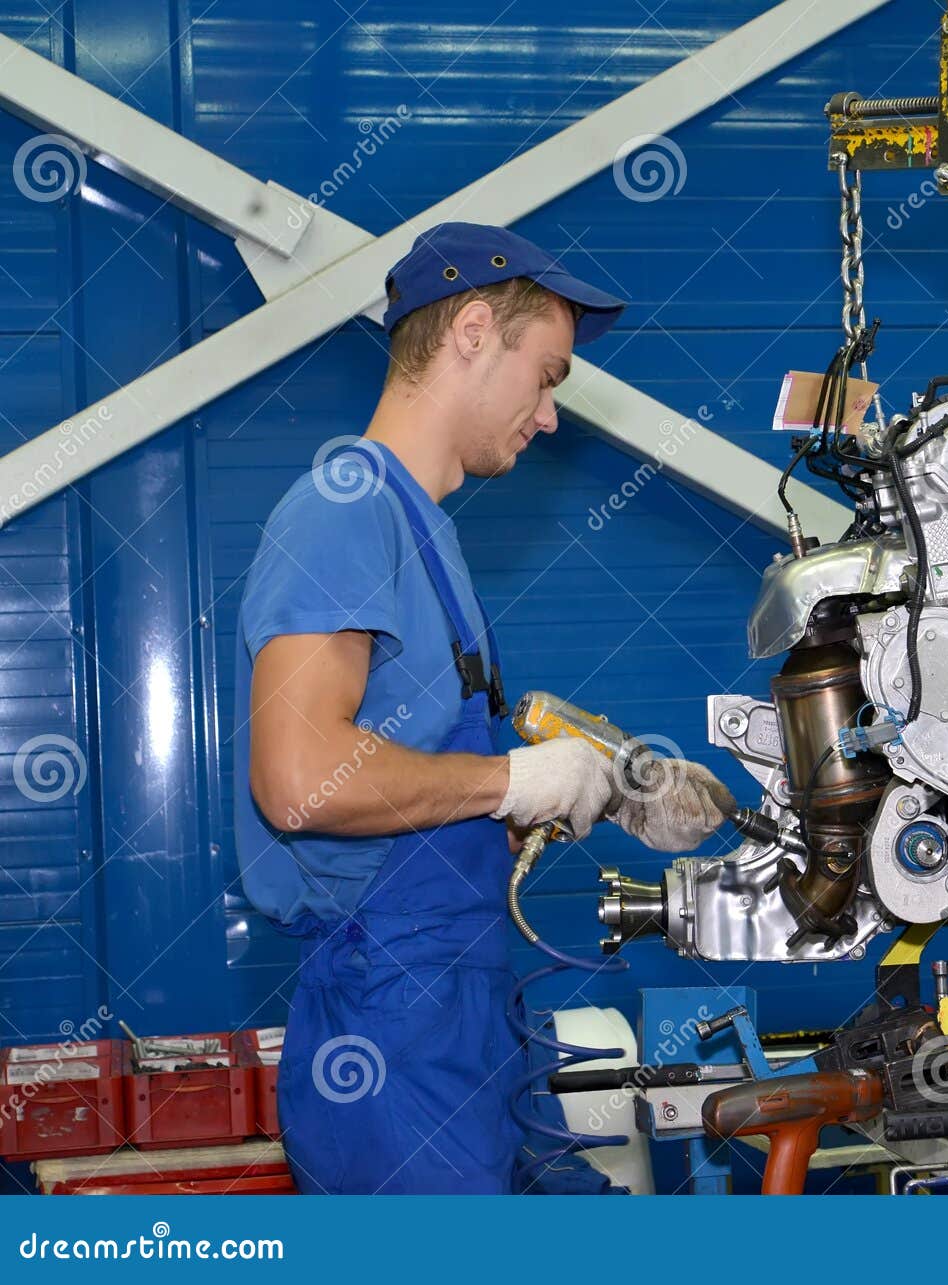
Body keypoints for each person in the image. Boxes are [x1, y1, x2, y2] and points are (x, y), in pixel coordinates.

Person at [232, 222, 734, 1194]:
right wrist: (511, 779)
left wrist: (606, 786)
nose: (549, 417)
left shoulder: (427, 538)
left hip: (468, 1011)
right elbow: (297, 780)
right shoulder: (344, 510)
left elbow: (425, 781)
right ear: (470, 330)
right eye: (545, 376)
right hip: (395, 1036)